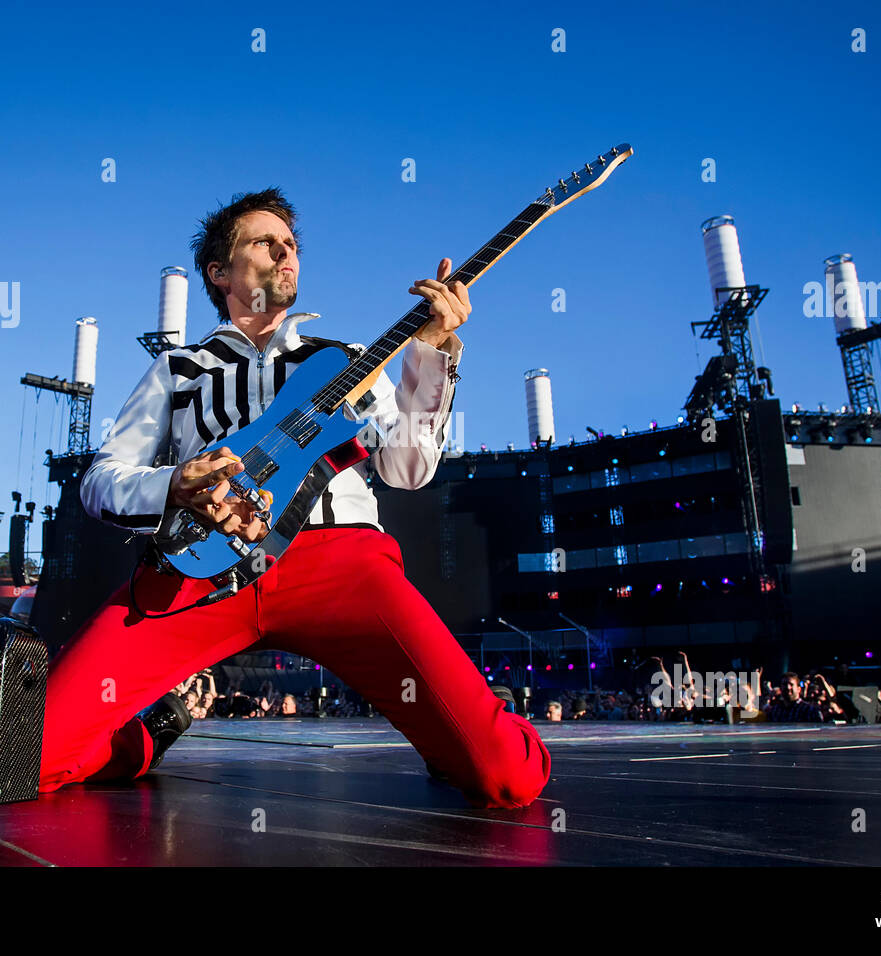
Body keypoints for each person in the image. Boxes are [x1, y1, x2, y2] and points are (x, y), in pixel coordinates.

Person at [36, 188, 551, 809]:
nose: (286, 253)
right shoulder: (176, 370)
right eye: (264, 242)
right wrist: (172, 484)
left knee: (508, 777)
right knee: (27, 756)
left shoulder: (350, 360)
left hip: (340, 563)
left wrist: (433, 355)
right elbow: (100, 480)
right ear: (219, 273)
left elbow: (408, 468)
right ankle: (147, 738)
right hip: (199, 572)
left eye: (292, 245)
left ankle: (454, 747)